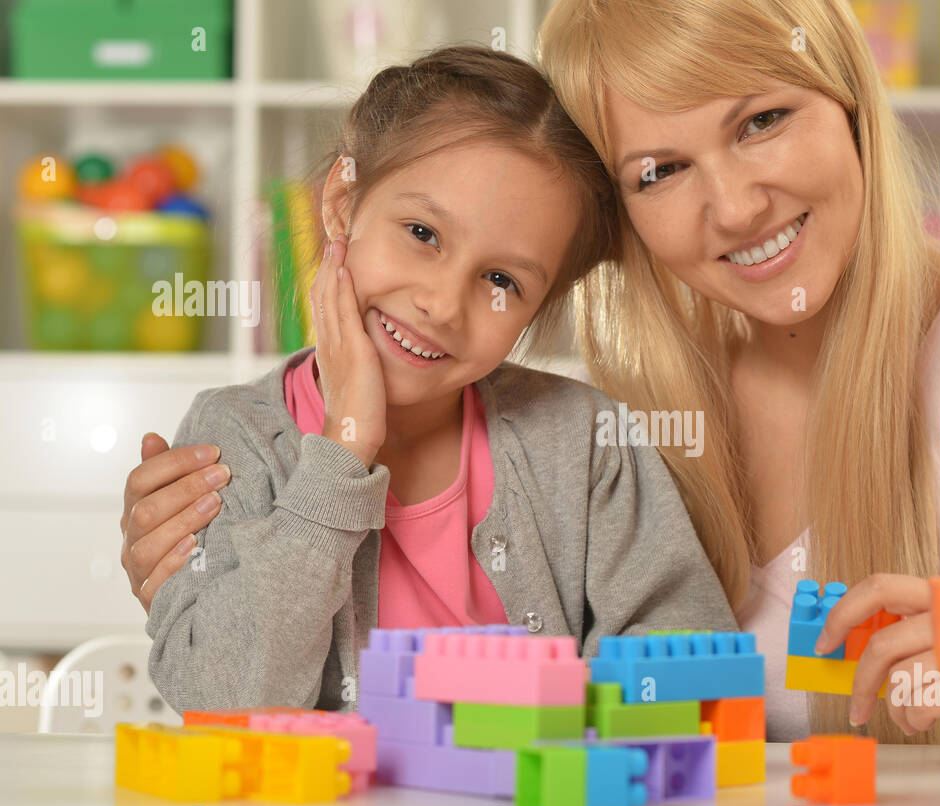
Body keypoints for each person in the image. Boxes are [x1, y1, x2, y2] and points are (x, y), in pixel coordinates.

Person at [125, 3, 940, 743]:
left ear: (847, 99)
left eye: (762, 119)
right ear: (617, 224)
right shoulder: (633, 397)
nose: (733, 205)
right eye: (658, 169)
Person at [133, 45, 734, 713]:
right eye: (422, 233)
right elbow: (225, 703)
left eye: (502, 280)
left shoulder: (582, 442)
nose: (444, 304)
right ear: (342, 202)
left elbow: (696, 671)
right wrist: (343, 451)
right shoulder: (235, 436)